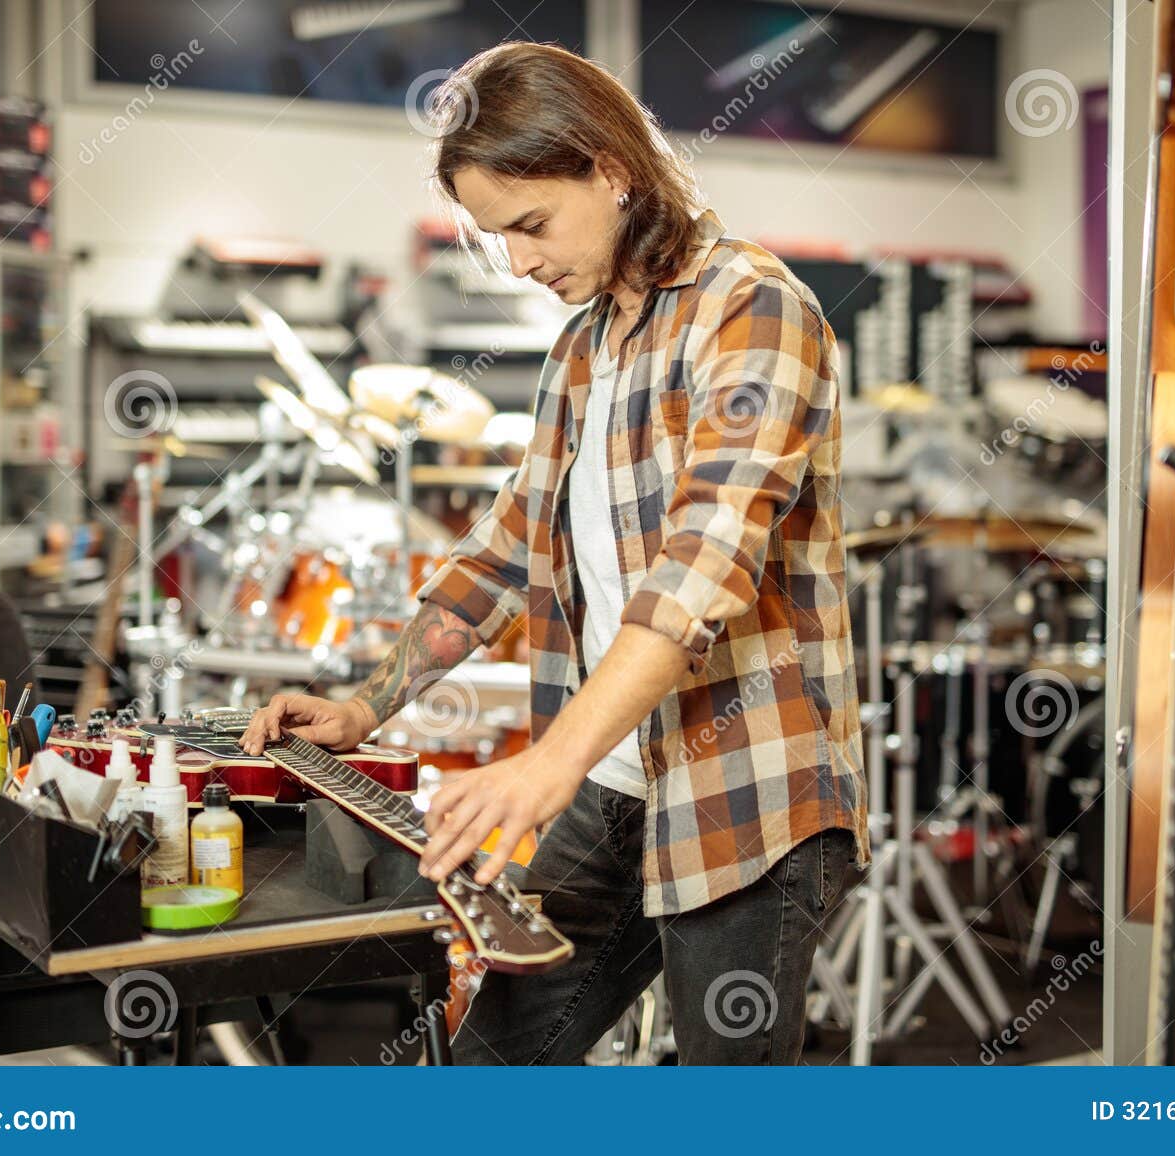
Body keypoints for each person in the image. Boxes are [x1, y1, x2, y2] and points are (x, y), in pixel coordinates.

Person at [241, 41, 867, 1064]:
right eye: (498, 239)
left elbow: (701, 570)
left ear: (610, 169)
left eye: (531, 224)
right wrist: (365, 704)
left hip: (746, 792)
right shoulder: (583, 347)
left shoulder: (751, 308)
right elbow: (503, 549)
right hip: (612, 780)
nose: (522, 261)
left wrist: (544, 764)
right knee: (492, 1060)